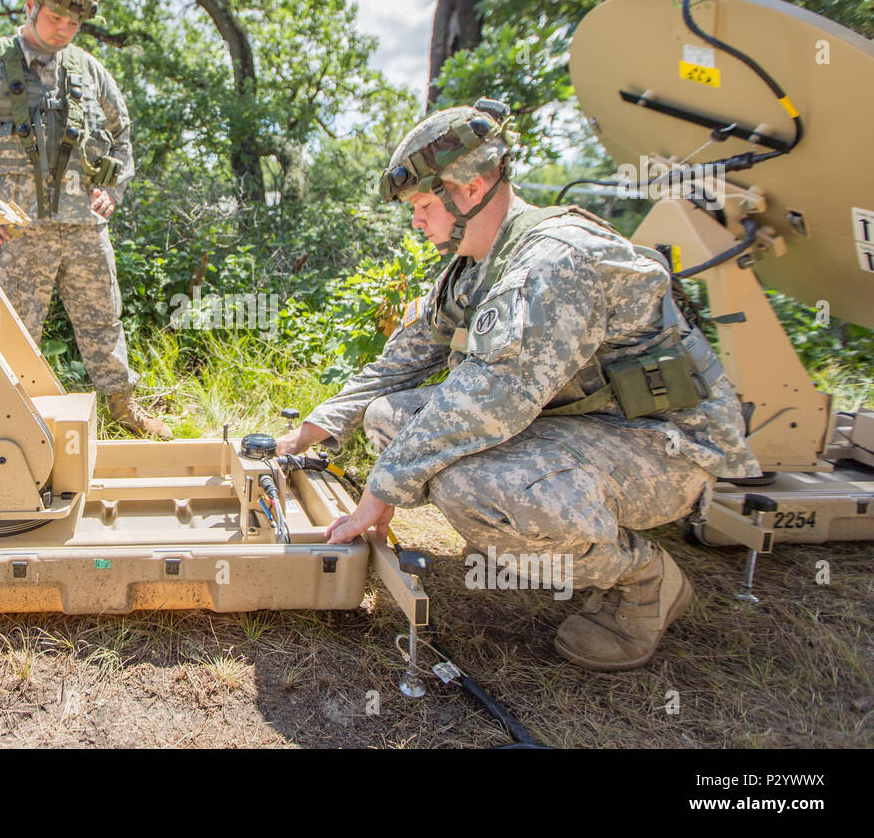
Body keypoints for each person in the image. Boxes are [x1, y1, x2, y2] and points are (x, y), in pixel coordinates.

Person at [277, 99, 760, 671]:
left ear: (473, 187)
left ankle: (642, 580)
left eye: (425, 204)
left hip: (664, 444)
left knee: (467, 485)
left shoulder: (554, 262)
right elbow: (403, 361)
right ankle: (537, 523)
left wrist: (381, 492)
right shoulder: (475, 265)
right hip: (581, 422)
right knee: (389, 416)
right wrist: (312, 429)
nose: (417, 220)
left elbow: (486, 400)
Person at [0, 0, 170, 439]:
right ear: (30, 5)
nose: (64, 29)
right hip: (16, 233)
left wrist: (113, 188)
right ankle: (5, 427)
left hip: (85, 227)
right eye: (56, 16)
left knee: (104, 322)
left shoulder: (88, 70)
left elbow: (121, 134)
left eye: (73, 23)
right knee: (10, 334)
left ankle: (125, 410)